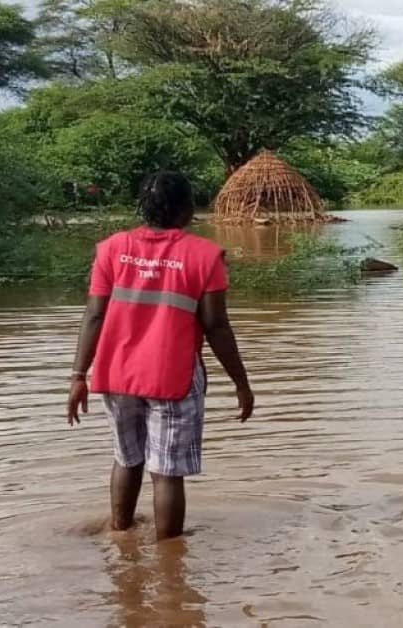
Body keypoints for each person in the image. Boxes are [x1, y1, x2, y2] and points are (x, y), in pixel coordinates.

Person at [66, 171, 255, 541]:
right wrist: (241, 383)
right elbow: (216, 326)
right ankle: (170, 564)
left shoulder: (111, 249)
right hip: (174, 378)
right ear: (187, 210)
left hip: (117, 375)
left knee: (126, 459)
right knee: (166, 472)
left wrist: (77, 377)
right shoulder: (204, 256)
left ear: (144, 208)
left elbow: (94, 315)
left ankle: (121, 541)